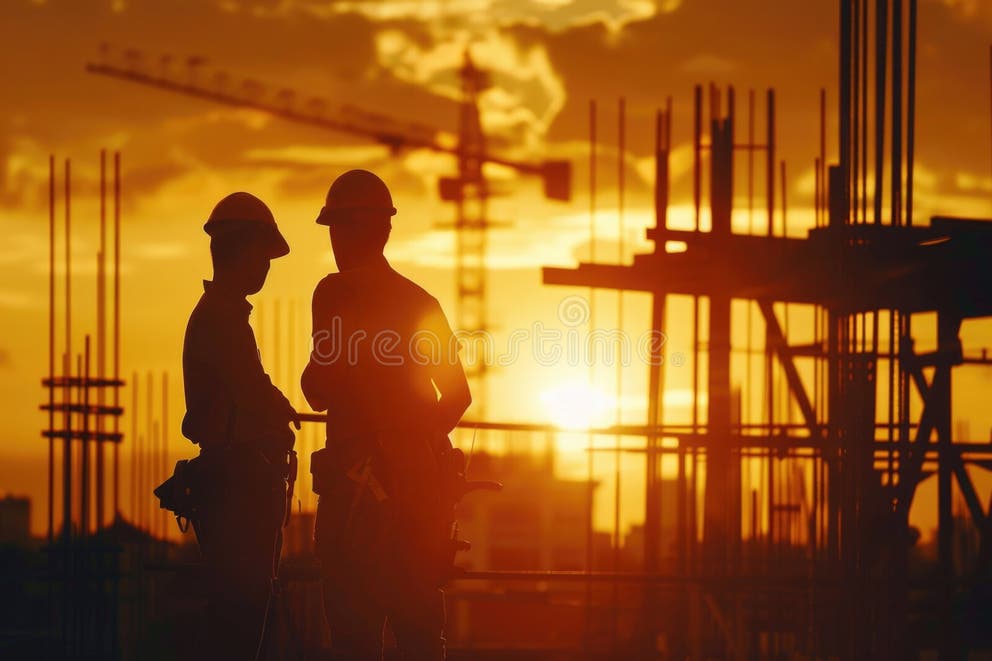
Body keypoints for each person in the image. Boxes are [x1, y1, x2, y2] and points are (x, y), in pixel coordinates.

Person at [302, 169, 471, 660]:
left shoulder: (335, 293)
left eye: (335, 229)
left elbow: (316, 391)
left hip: (355, 504)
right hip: (416, 504)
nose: (332, 241)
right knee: (419, 637)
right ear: (386, 230)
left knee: (354, 639)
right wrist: (411, 446)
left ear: (352, 231)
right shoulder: (422, 303)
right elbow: (457, 395)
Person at [181, 192, 300, 660]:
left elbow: (251, 388)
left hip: (235, 483)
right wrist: (279, 414)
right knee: (242, 615)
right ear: (242, 251)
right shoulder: (223, 318)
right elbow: (251, 391)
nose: (267, 267)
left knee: (241, 614)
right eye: (263, 256)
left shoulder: (221, 315)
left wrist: (275, 408)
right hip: (237, 487)